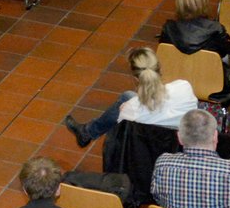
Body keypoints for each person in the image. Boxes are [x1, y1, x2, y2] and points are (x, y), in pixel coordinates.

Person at [62, 46, 199, 148]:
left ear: (136, 78)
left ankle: (87, 132)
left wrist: (125, 110)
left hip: (148, 151)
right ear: (160, 68)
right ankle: (87, 132)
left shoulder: (131, 109)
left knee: (126, 97)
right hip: (181, 145)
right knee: (127, 96)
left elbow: (121, 135)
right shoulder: (184, 87)